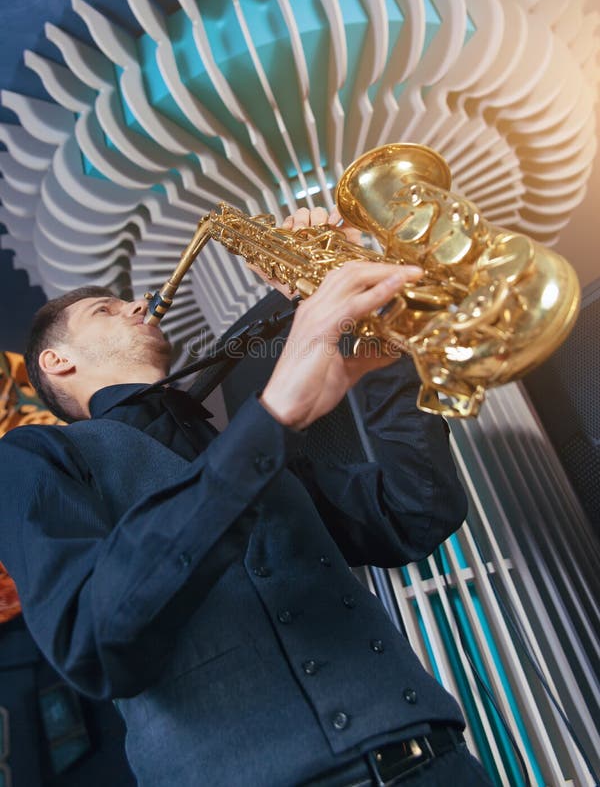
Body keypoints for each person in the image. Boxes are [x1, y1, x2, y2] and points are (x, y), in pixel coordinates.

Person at [0, 207, 493, 786]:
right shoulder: (32, 456)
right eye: (104, 309)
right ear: (57, 361)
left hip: (440, 761)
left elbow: (415, 512)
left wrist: (378, 331)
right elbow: (90, 641)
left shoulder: (235, 441)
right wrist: (273, 415)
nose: (138, 304)